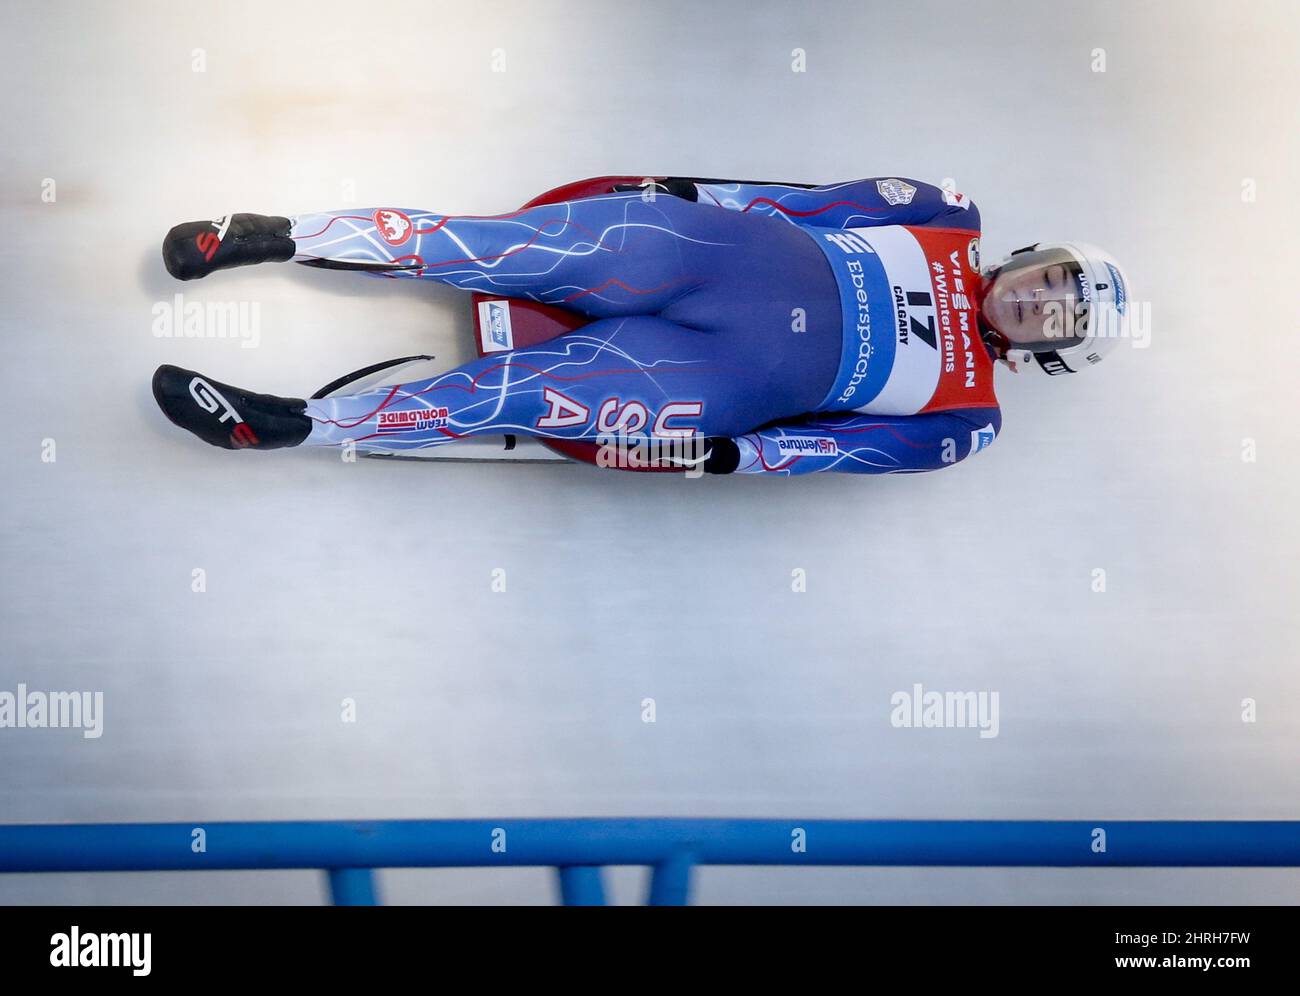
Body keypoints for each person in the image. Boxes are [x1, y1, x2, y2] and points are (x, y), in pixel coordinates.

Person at [152, 176, 1130, 475]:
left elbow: (830, 449)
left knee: (508, 398)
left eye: (1055, 318)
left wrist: (722, 458)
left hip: (708, 375)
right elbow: (808, 204)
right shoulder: (941, 212)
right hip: (694, 248)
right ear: (1033, 253)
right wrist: (687, 194)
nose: (1039, 299)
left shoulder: (964, 420)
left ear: (1046, 355)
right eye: (1053, 278)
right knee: (486, 245)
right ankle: (275, 236)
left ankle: (287, 425)